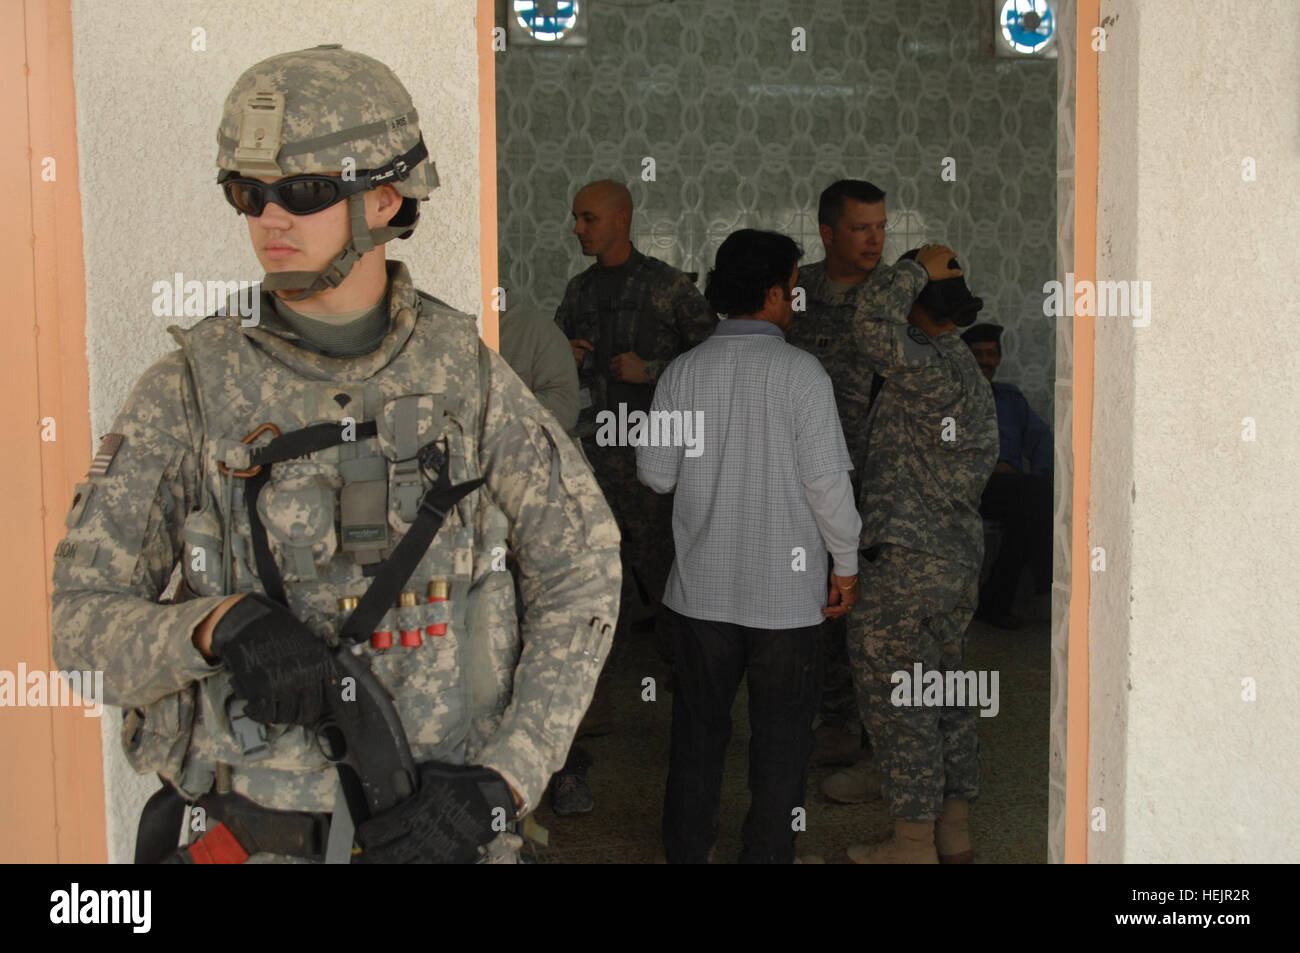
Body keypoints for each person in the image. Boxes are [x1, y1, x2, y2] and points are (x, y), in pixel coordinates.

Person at [50, 45, 621, 865]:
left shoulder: (467, 377)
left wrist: (507, 779)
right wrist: (213, 627)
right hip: (253, 838)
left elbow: (583, 571)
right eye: (248, 192)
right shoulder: (190, 391)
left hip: (440, 833)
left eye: (305, 192)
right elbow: (78, 625)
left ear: (384, 197)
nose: (268, 218)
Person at [637, 229, 861, 864]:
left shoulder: (684, 371)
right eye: (792, 285)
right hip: (786, 603)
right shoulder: (801, 373)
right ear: (769, 291)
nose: (796, 297)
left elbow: (656, 474)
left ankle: (688, 850)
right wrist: (845, 565)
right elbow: (825, 486)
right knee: (783, 742)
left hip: (700, 594)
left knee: (698, 733)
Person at [839, 245, 998, 864]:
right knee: (947, 698)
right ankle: (951, 837)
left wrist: (911, 271)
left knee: (903, 708)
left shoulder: (925, 367)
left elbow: (868, 326)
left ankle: (910, 848)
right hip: (954, 563)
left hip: (906, 565)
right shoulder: (965, 372)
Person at [555, 180, 716, 648]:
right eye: (576, 218)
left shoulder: (667, 286)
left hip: (654, 452)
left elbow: (712, 361)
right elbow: (552, 355)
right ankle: (609, 664)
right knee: (600, 558)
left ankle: (680, 661)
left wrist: (649, 370)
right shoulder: (579, 290)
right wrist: (565, 354)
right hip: (593, 450)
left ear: (622, 219)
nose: (577, 229)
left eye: (589, 218)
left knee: (663, 558)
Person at [787, 180, 891, 771]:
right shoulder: (799, 295)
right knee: (820, 600)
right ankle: (833, 719)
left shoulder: (895, 301)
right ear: (828, 233)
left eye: (880, 226)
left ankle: (881, 733)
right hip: (809, 476)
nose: (874, 239)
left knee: (875, 609)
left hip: (880, 476)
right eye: (860, 227)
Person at [961, 323, 1053, 629]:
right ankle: (1045, 588)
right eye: (978, 354)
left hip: (1014, 491)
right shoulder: (951, 398)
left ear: (999, 358)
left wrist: (1040, 473)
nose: (985, 361)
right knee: (1034, 504)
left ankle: (995, 603)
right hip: (972, 488)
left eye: (991, 354)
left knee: (1029, 514)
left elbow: (1042, 439)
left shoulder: (1011, 398)